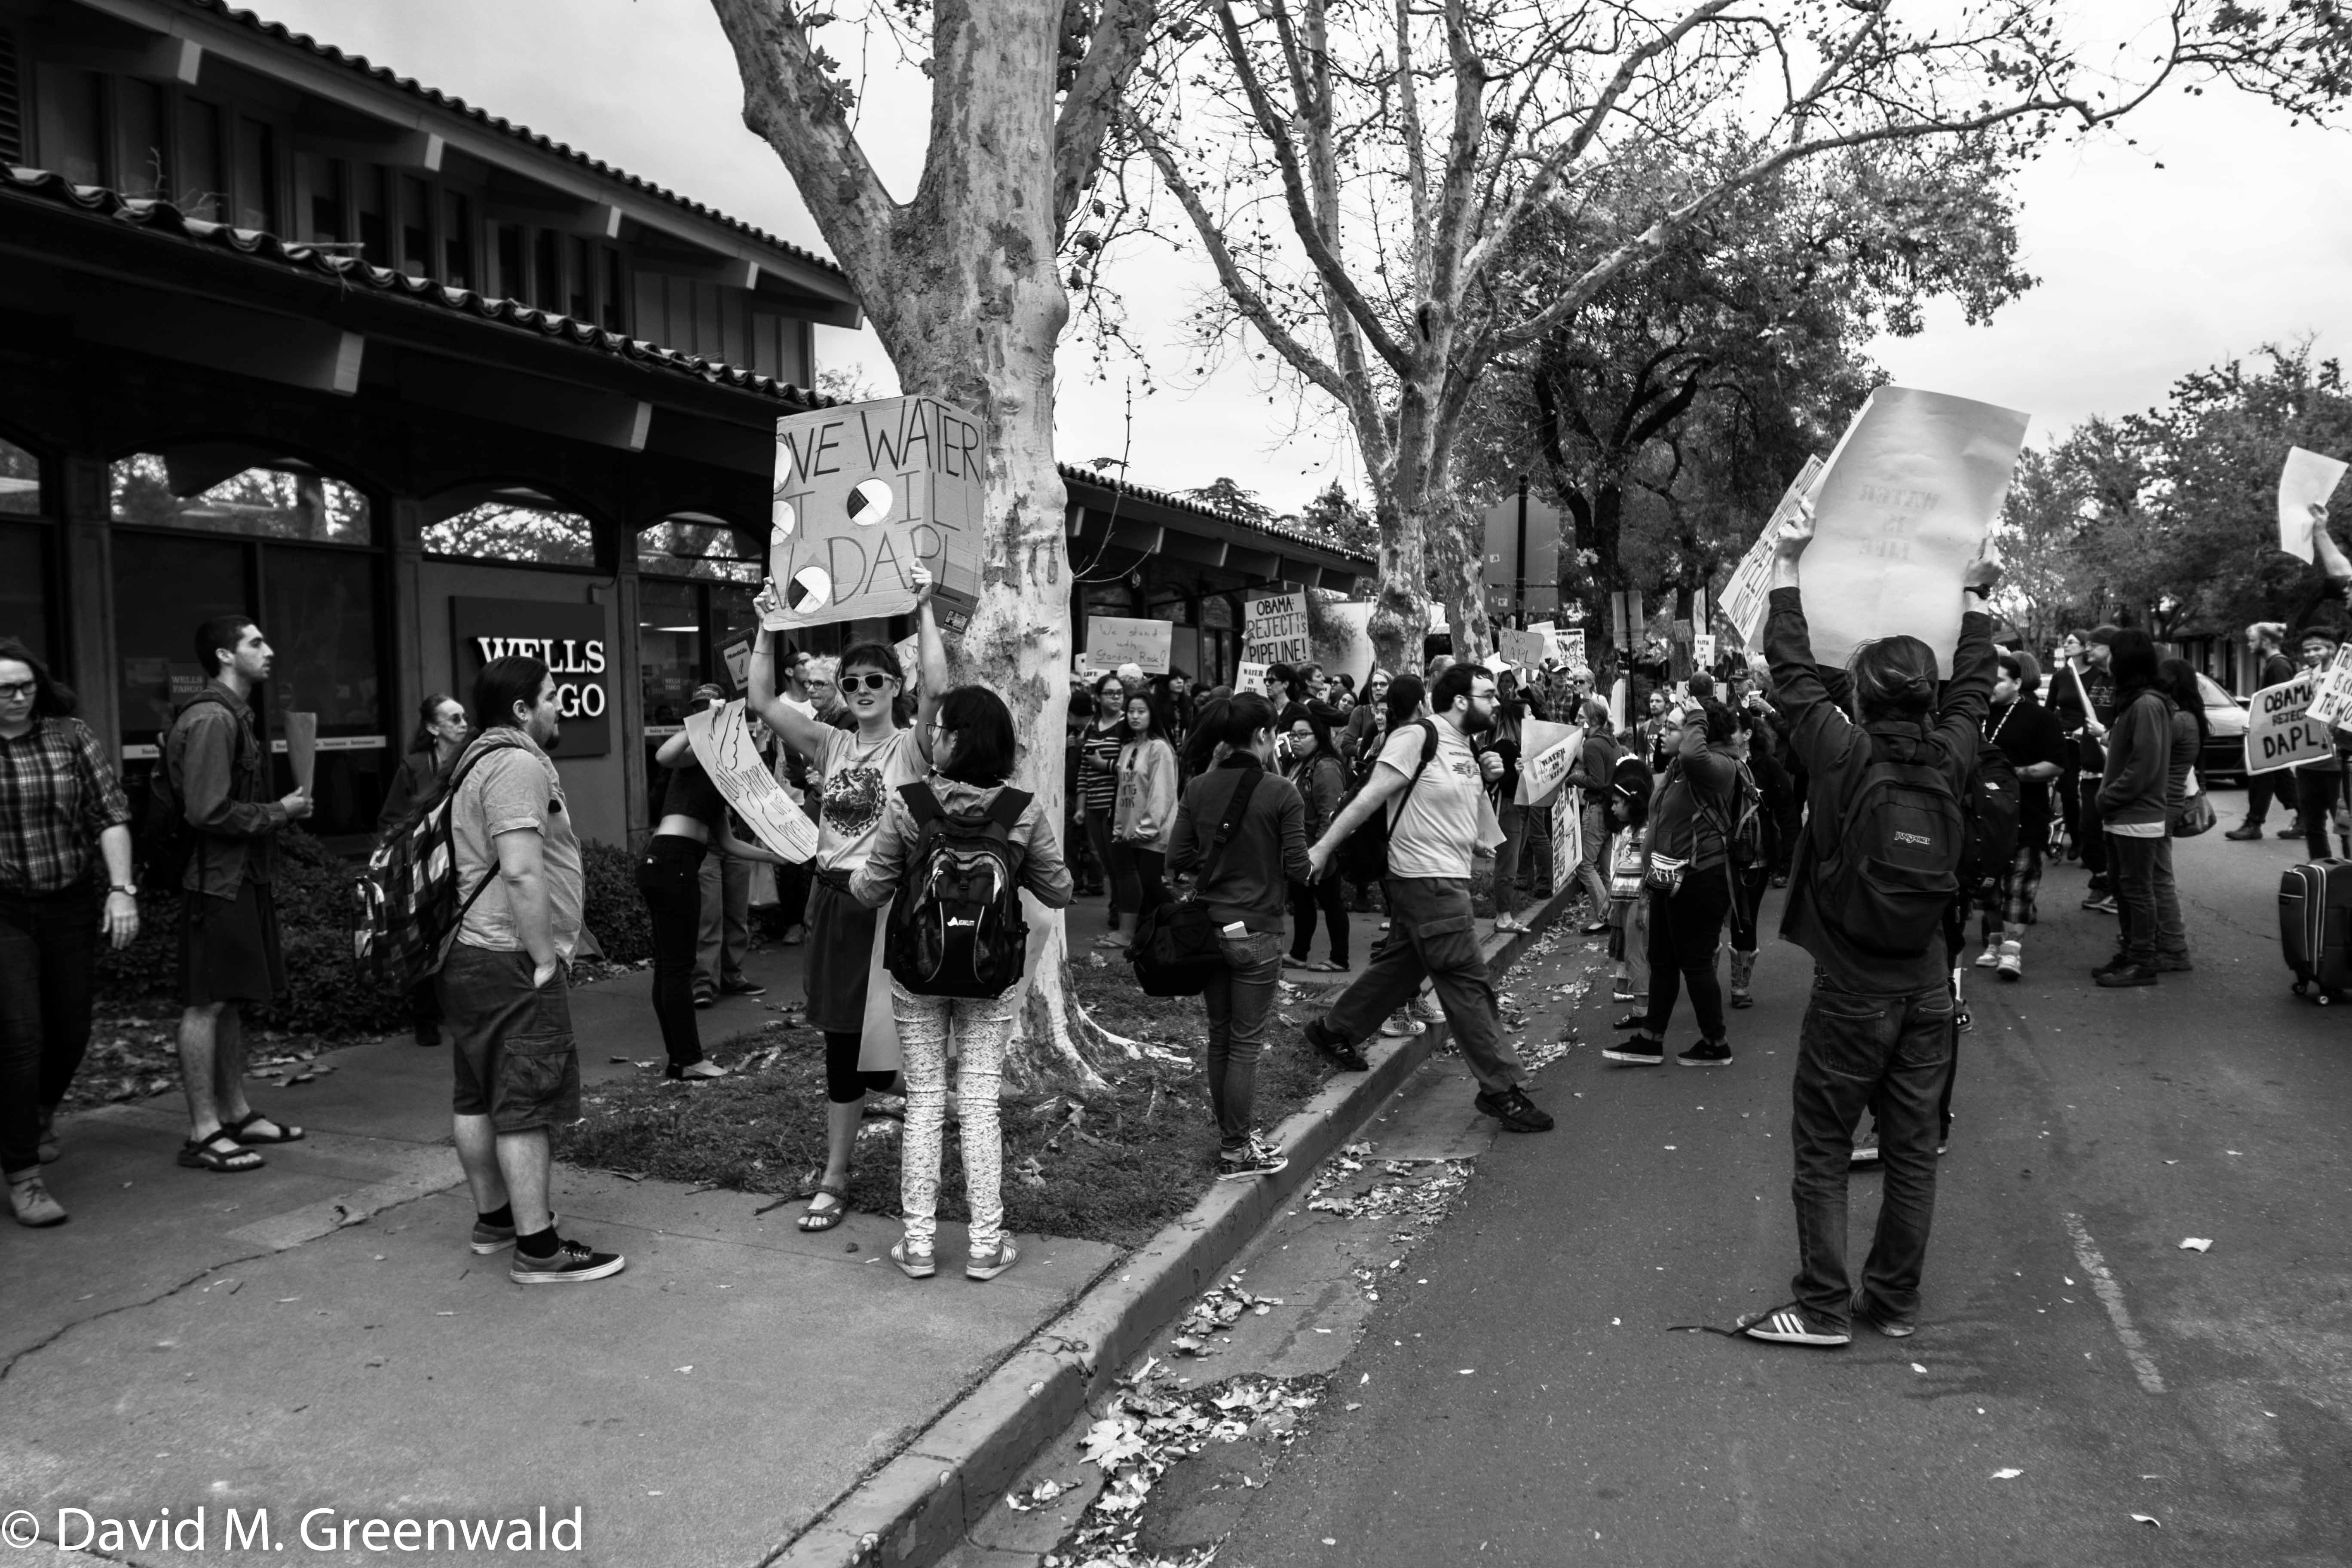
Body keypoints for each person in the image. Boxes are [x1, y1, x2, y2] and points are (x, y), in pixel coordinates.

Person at [1737, 501, 1999, 1348]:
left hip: (1851, 985)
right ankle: (1891, 1302)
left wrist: (1787, 565)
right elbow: (1977, 683)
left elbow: (1790, 668)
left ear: (1861, 690)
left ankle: (1822, 1307)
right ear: (1928, 694)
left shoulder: (1840, 752)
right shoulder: (1952, 750)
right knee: (1912, 1151)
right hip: (1927, 983)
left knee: (1823, 1146)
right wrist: (1974, 595)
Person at [747, 564, 948, 1234]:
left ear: (896, 688)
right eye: (852, 682)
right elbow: (761, 699)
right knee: (842, 1045)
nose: (862, 691)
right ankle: (835, 1175)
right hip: (833, 904)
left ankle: (936, 1106)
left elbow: (939, 690)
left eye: (875, 681)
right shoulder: (829, 743)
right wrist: (768, 626)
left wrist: (923, 608)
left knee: (888, 1049)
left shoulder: (912, 748)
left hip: (889, 908)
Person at [851, 686, 1071, 1281]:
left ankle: (919, 1246)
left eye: (940, 729)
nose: (933, 738)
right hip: (991, 973)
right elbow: (1060, 890)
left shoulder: (910, 803)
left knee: (924, 1100)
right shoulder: (1021, 809)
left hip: (918, 973)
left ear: (956, 740)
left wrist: (849, 874)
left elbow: (872, 890)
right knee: (978, 1103)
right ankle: (986, 1246)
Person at [1298, 665, 1556, 1133]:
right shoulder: (1416, 737)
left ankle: (1334, 1030)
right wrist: (1322, 848)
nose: (1497, 702)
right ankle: (1501, 1088)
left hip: (1446, 878)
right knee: (1466, 983)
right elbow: (1369, 798)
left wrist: (1484, 790)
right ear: (1460, 700)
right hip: (1426, 881)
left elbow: (1446, 802)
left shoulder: (1464, 744)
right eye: (1487, 695)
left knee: (1405, 963)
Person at [433, 655, 622, 1282]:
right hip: (507, 954)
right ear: (521, 709)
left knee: (476, 1092)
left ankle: (495, 1221)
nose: (561, 705)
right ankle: (539, 1249)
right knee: (524, 1101)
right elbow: (520, 870)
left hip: (468, 952)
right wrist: (544, 957)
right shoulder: (515, 765)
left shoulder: (471, 759)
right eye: (552, 695)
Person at [168, 616, 312, 1176]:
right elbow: (207, 811)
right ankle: (204, 1132)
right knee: (205, 1003)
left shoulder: (235, 715)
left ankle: (235, 1113)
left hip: (239, 877)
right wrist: (281, 812)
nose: (269, 650)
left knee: (226, 1000)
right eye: (256, 643)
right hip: (215, 883)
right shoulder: (212, 719)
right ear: (226, 656)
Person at [0, 638, 136, 1226]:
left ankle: (38, 1113)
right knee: (20, 1037)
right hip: (4, 909)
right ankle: (24, 1176)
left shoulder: (69, 735)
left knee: (72, 1028)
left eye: (26, 686)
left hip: (68, 901)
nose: (18, 697)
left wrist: (121, 889)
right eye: (5, 689)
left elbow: (109, 813)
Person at [1168, 693, 1314, 1178]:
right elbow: (1300, 869)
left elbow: (1177, 860)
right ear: (1263, 735)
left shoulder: (1198, 787)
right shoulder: (1282, 792)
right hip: (1258, 931)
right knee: (1246, 1043)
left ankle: (1233, 1141)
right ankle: (1236, 1150)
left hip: (1210, 931)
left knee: (1221, 1037)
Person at [642, 719, 795, 1080]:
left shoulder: (718, 778)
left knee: (668, 968)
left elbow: (727, 842)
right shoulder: (697, 756)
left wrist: (773, 857)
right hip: (674, 862)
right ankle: (690, 1060)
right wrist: (699, 725)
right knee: (677, 968)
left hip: (663, 862)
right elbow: (663, 756)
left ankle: (679, 1060)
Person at [1606, 698, 1740, 1067]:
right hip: (1667, 878)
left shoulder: (1717, 766)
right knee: (1662, 960)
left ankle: (1716, 1043)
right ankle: (1651, 1039)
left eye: (1673, 727)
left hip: (1700, 878)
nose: (1663, 731)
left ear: (1699, 732)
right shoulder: (1680, 766)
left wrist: (1696, 714)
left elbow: (1696, 755)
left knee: (1695, 963)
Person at [2088, 635, 2183, 987]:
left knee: (2138, 890)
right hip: (2121, 815)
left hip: (2137, 815)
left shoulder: (2147, 704)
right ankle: (2129, 953)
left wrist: (2109, 797)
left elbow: (2145, 764)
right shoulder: (2135, 702)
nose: (2108, 661)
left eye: (2113, 654)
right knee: (2123, 887)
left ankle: (2142, 961)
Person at [379, 692, 470, 1048]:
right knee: (425, 938)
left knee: (461, 937)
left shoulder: (473, 758)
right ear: (433, 728)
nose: (463, 724)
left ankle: (456, 1009)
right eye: (454, 719)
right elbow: (391, 818)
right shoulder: (416, 766)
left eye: (464, 717)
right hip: (424, 865)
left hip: (466, 862)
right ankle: (425, 1018)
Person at [1970, 652, 2067, 982]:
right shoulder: (1972, 716)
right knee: (1988, 884)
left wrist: (2009, 777)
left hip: (2026, 814)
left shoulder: (2040, 718)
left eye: (1998, 681)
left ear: (2016, 683)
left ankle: (2012, 950)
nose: (1990, 687)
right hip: (1981, 818)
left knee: (2020, 885)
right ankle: (1995, 942)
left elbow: (2056, 765)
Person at [1106, 688, 1180, 944]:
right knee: (1138, 887)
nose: (1135, 716)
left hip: (1153, 832)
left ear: (1152, 714)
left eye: (1141, 711)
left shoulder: (1160, 749)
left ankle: (1184, 929)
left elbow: (1162, 793)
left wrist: (1147, 829)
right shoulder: (1127, 748)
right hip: (1130, 830)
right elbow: (1122, 794)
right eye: (1131, 711)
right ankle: (1151, 940)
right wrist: (1120, 829)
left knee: (1151, 884)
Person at [2053, 628, 2120, 909]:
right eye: (2087, 644)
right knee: (2089, 833)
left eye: (2095, 645)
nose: (2089, 649)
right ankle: (2103, 882)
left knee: (2114, 838)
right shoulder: (2096, 681)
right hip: (2089, 769)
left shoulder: (2124, 684)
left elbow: (2128, 727)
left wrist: (2104, 734)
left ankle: (2118, 892)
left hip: (2114, 772)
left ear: (2112, 648)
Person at [1282, 701, 1350, 971]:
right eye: (1293, 735)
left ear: (1318, 736)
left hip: (1321, 850)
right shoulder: (1299, 764)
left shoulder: (1326, 767)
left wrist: (1323, 852)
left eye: (1303, 735)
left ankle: (1339, 959)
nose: (1296, 740)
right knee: (1302, 902)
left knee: (1331, 903)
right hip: (1300, 850)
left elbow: (1330, 815)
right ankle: (1299, 954)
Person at [2283, 624, 2349, 863]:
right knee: (2313, 827)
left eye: (2317, 649)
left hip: (2339, 767)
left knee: (2346, 828)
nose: (2310, 655)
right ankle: (2321, 873)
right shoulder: (2300, 680)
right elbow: (2285, 717)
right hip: (2307, 765)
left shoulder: (2346, 678)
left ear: (2332, 649)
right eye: (2306, 651)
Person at [2225, 623, 2296, 839]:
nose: (2249, 645)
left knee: (2261, 776)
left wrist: (2260, 726)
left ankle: (2254, 823)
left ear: (2265, 641)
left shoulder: (2279, 666)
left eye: (2252, 640)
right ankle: (2306, 815)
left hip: (2271, 734)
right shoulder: (2274, 665)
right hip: (2269, 732)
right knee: (2281, 777)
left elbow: (2281, 704)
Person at [1559, 698, 1621, 934]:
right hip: (1610, 811)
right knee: (1605, 869)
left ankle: (1606, 916)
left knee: (1584, 864)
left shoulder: (1594, 744)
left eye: (1581, 717)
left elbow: (1597, 781)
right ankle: (1615, 915)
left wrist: (1574, 779)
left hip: (1597, 809)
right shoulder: (1611, 742)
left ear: (1594, 720)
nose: (1577, 720)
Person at [1482, 670, 1535, 935]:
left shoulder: (1517, 744)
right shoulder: (1505, 746)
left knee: (1512, 863)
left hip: (1520, 808)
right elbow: (1503, 782)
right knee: (1507, 865)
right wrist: (1516, 772)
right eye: (1529, 715)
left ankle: (1506, 914)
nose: (1534, 719)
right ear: (1517, 720)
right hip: (1509, 809)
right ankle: (1503, 917)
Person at [1076, 672, 1129, 934]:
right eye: (1110, 693)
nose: (1116, 698)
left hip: (1116, 804)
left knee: (1118, 863)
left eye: (1119, 693)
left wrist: (1104, 764)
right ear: (1098, 697)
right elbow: (1084, 769)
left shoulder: (1126, 724)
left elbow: (1132, 765)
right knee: (1107, 863)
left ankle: (1121, 910)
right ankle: (1118, 906)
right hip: (1094, 807)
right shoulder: (1092, 726)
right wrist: (1080, 807)